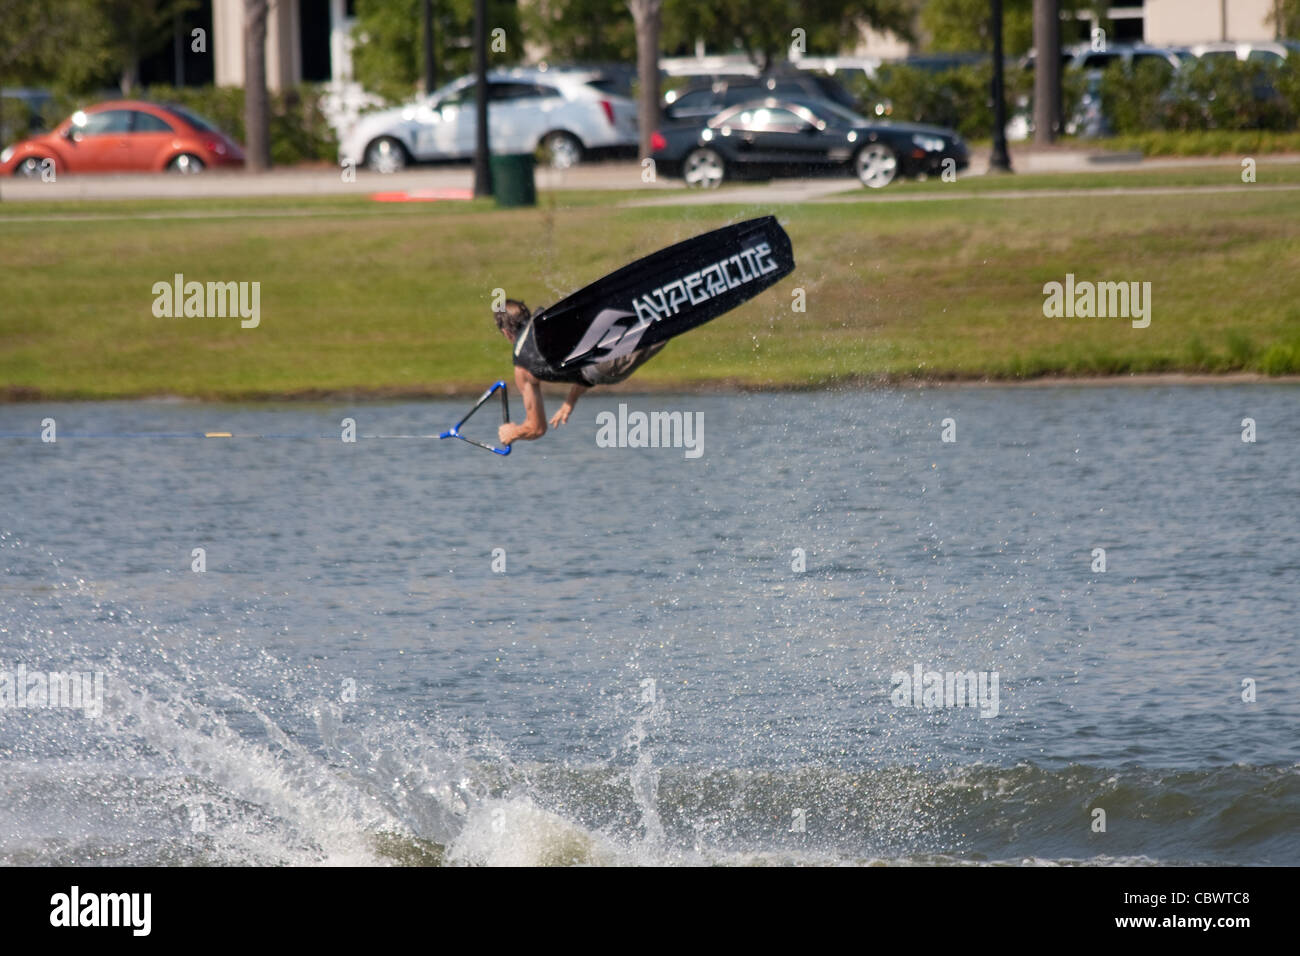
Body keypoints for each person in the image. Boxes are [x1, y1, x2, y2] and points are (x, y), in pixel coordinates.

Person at [493, 298, 665, 447]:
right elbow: (580, 359)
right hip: (606, 346)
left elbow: (536, 428)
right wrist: (570, 401)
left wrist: (514, 432)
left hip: (603, 367)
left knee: (664, 324)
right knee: (663, 320)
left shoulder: (522, 369)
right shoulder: (546, 319)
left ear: (506, 333)